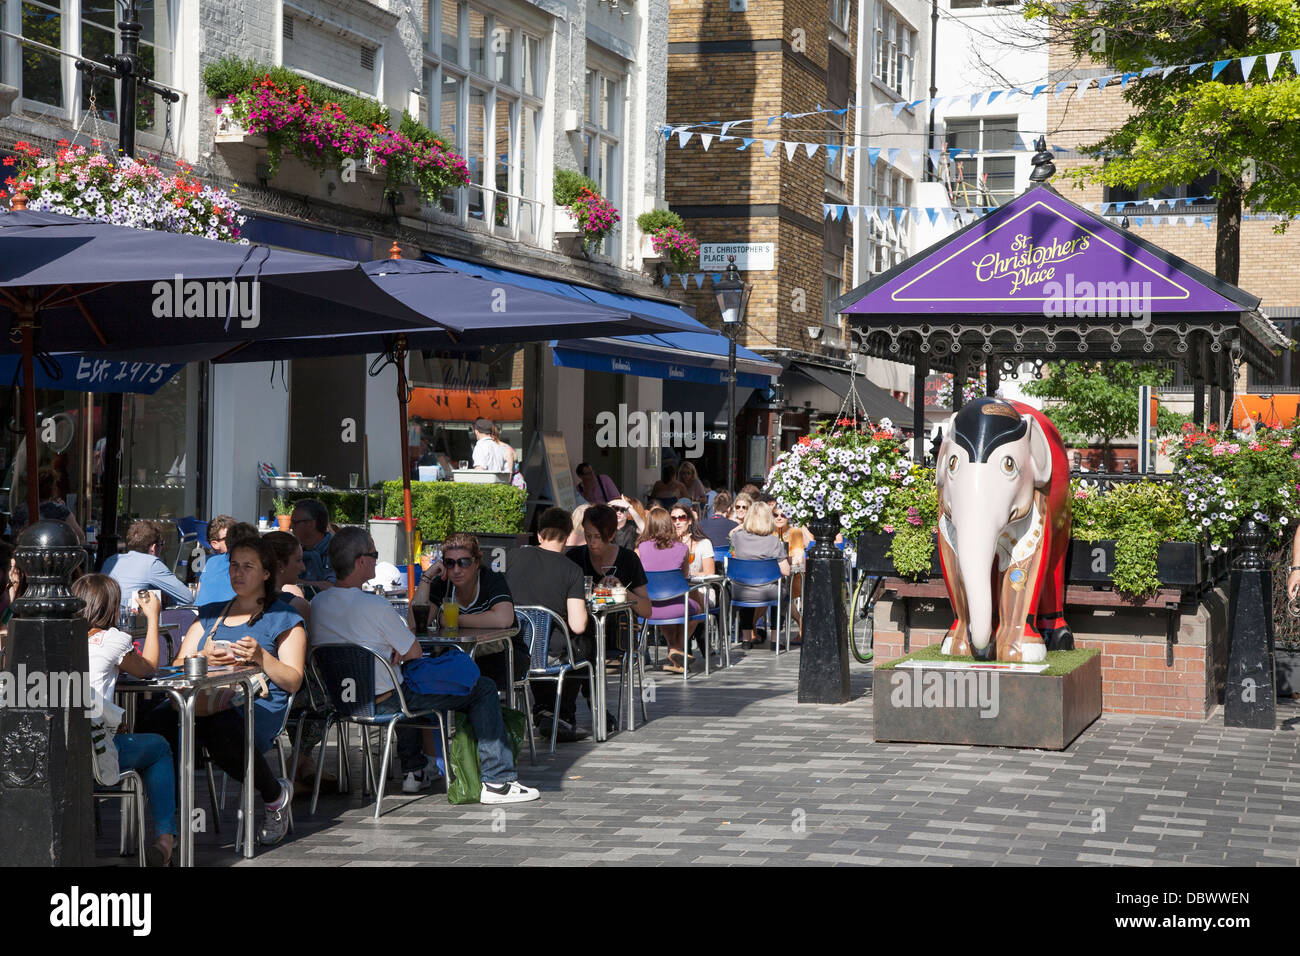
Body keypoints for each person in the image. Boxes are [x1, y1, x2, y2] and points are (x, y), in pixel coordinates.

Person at [311, 527, 539, 804]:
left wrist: (394, 646)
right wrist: (398, 644)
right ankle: (497, 781)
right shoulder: (375, 606)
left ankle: (416, 768)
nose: (455, 568)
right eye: (374, 555)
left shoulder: (317, 604)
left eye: (463, 562)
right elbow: (414, 648)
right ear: (361, 562)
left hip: (343, 703)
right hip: (388, 700)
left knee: (415, 680)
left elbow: (409, 640)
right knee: (481, 688)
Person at [137, 536, 306, 846]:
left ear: (267, 573)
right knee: (154, 722)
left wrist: (260, 657)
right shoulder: (212, 613)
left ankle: (274, 795)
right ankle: (168, 821)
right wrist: (202, 657)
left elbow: (293, 680)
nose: (238, 574)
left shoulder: (285, 618)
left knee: (219, 727)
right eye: (234, 566)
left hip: (258, 706)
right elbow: (177, 664)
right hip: (207, 700)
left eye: (248, 567)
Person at [75, 575, 177, 866]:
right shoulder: (113, 640)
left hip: (61, 749)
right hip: (95, 753)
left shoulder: (58, 638)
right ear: (112, 607)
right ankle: (165, 841)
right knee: (159, 747)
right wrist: (153, 618)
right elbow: (148, 668)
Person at [562, 503, 650, 738]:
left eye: (598, 537)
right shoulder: (574, 557)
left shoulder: (628, 560)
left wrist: (624, 592)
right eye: (588, 535)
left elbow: (647, 609)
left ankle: (567, 713)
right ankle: (570, 710)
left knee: (580, 648)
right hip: (581, 630)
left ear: (611, 535)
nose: (592, 543)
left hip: (617, 633)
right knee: (575, 645)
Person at [506, 507, 591, 732]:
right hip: (546, 655)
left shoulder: (512, 557)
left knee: (547, 645)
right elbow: (578, 624)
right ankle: (563, 714)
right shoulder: (572, 570)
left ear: (540, 535)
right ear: (568, 535)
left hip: (511, 650)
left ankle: (544, 708)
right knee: (582, 646)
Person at [413, 533, 522, 694]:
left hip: (504, 655)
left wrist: (454, 620)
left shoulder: (490, 579)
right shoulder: (443, 583)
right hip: (459, 655)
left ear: (476, 562)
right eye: (450, 563)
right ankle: (445, 717)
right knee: (429, 672)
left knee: (459, 674)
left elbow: (503, 619)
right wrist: (427, 577)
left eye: (463, 562)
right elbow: (415, 623)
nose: (456, 570)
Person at [729, 500, 790, 648]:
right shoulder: (774, 541)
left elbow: (733, 552)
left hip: (740, 591)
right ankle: (775, 640)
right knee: (782, 592)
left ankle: (746, 639)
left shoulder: (737, 537)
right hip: (767, 592)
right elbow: (786, 571)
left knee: (746, 582)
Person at [102, 519, 194, 607]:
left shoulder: (112, 560)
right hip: (132, 621)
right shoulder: (151, 564)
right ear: (153, 548)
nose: (162, 549)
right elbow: (188, 598)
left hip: (105, 619)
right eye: (161, 544)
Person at [12, 467, 84, 540]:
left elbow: (15, 538)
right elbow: (80, 536)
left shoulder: (20, 509)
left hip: (26, 549)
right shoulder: (59, 510)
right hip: (54, 549)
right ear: (52, 488)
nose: (57, 488)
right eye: (55, 485)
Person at [773, 503, 809, 644]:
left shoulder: (795, 532)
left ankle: (801, 624)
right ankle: (751, 631)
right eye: (776, 515)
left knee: (784, 592)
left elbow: (798, 556)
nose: (779, 518)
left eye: (784, 515)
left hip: (792, 576)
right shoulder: (769, 533)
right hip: (772, 575)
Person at [263, 530, 312, 623]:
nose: (303, 567)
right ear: (279, 565)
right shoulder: (297, 605)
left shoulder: (244, 600)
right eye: (298, 560)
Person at [290, 498, 335, 592]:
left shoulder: (336, 550)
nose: (290, 526)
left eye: (295, 522)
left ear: (310, 524)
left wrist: (294, 582)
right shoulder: (294, 549)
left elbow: (332, 587)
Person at [194, 515, 238, 606]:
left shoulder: (206, 561)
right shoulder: (207, 562)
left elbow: (198, 592)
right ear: (215, 544)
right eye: (229, 537)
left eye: (237, 535)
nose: (236, 540)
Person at [673, 503, 716, 577]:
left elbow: (709, 573)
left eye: (682, 517)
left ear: (689, 521)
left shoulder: (704, 544)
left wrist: (689, 575)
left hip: (698, 586)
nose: (677, 522)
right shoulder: (669, 544)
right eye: (673, 519)